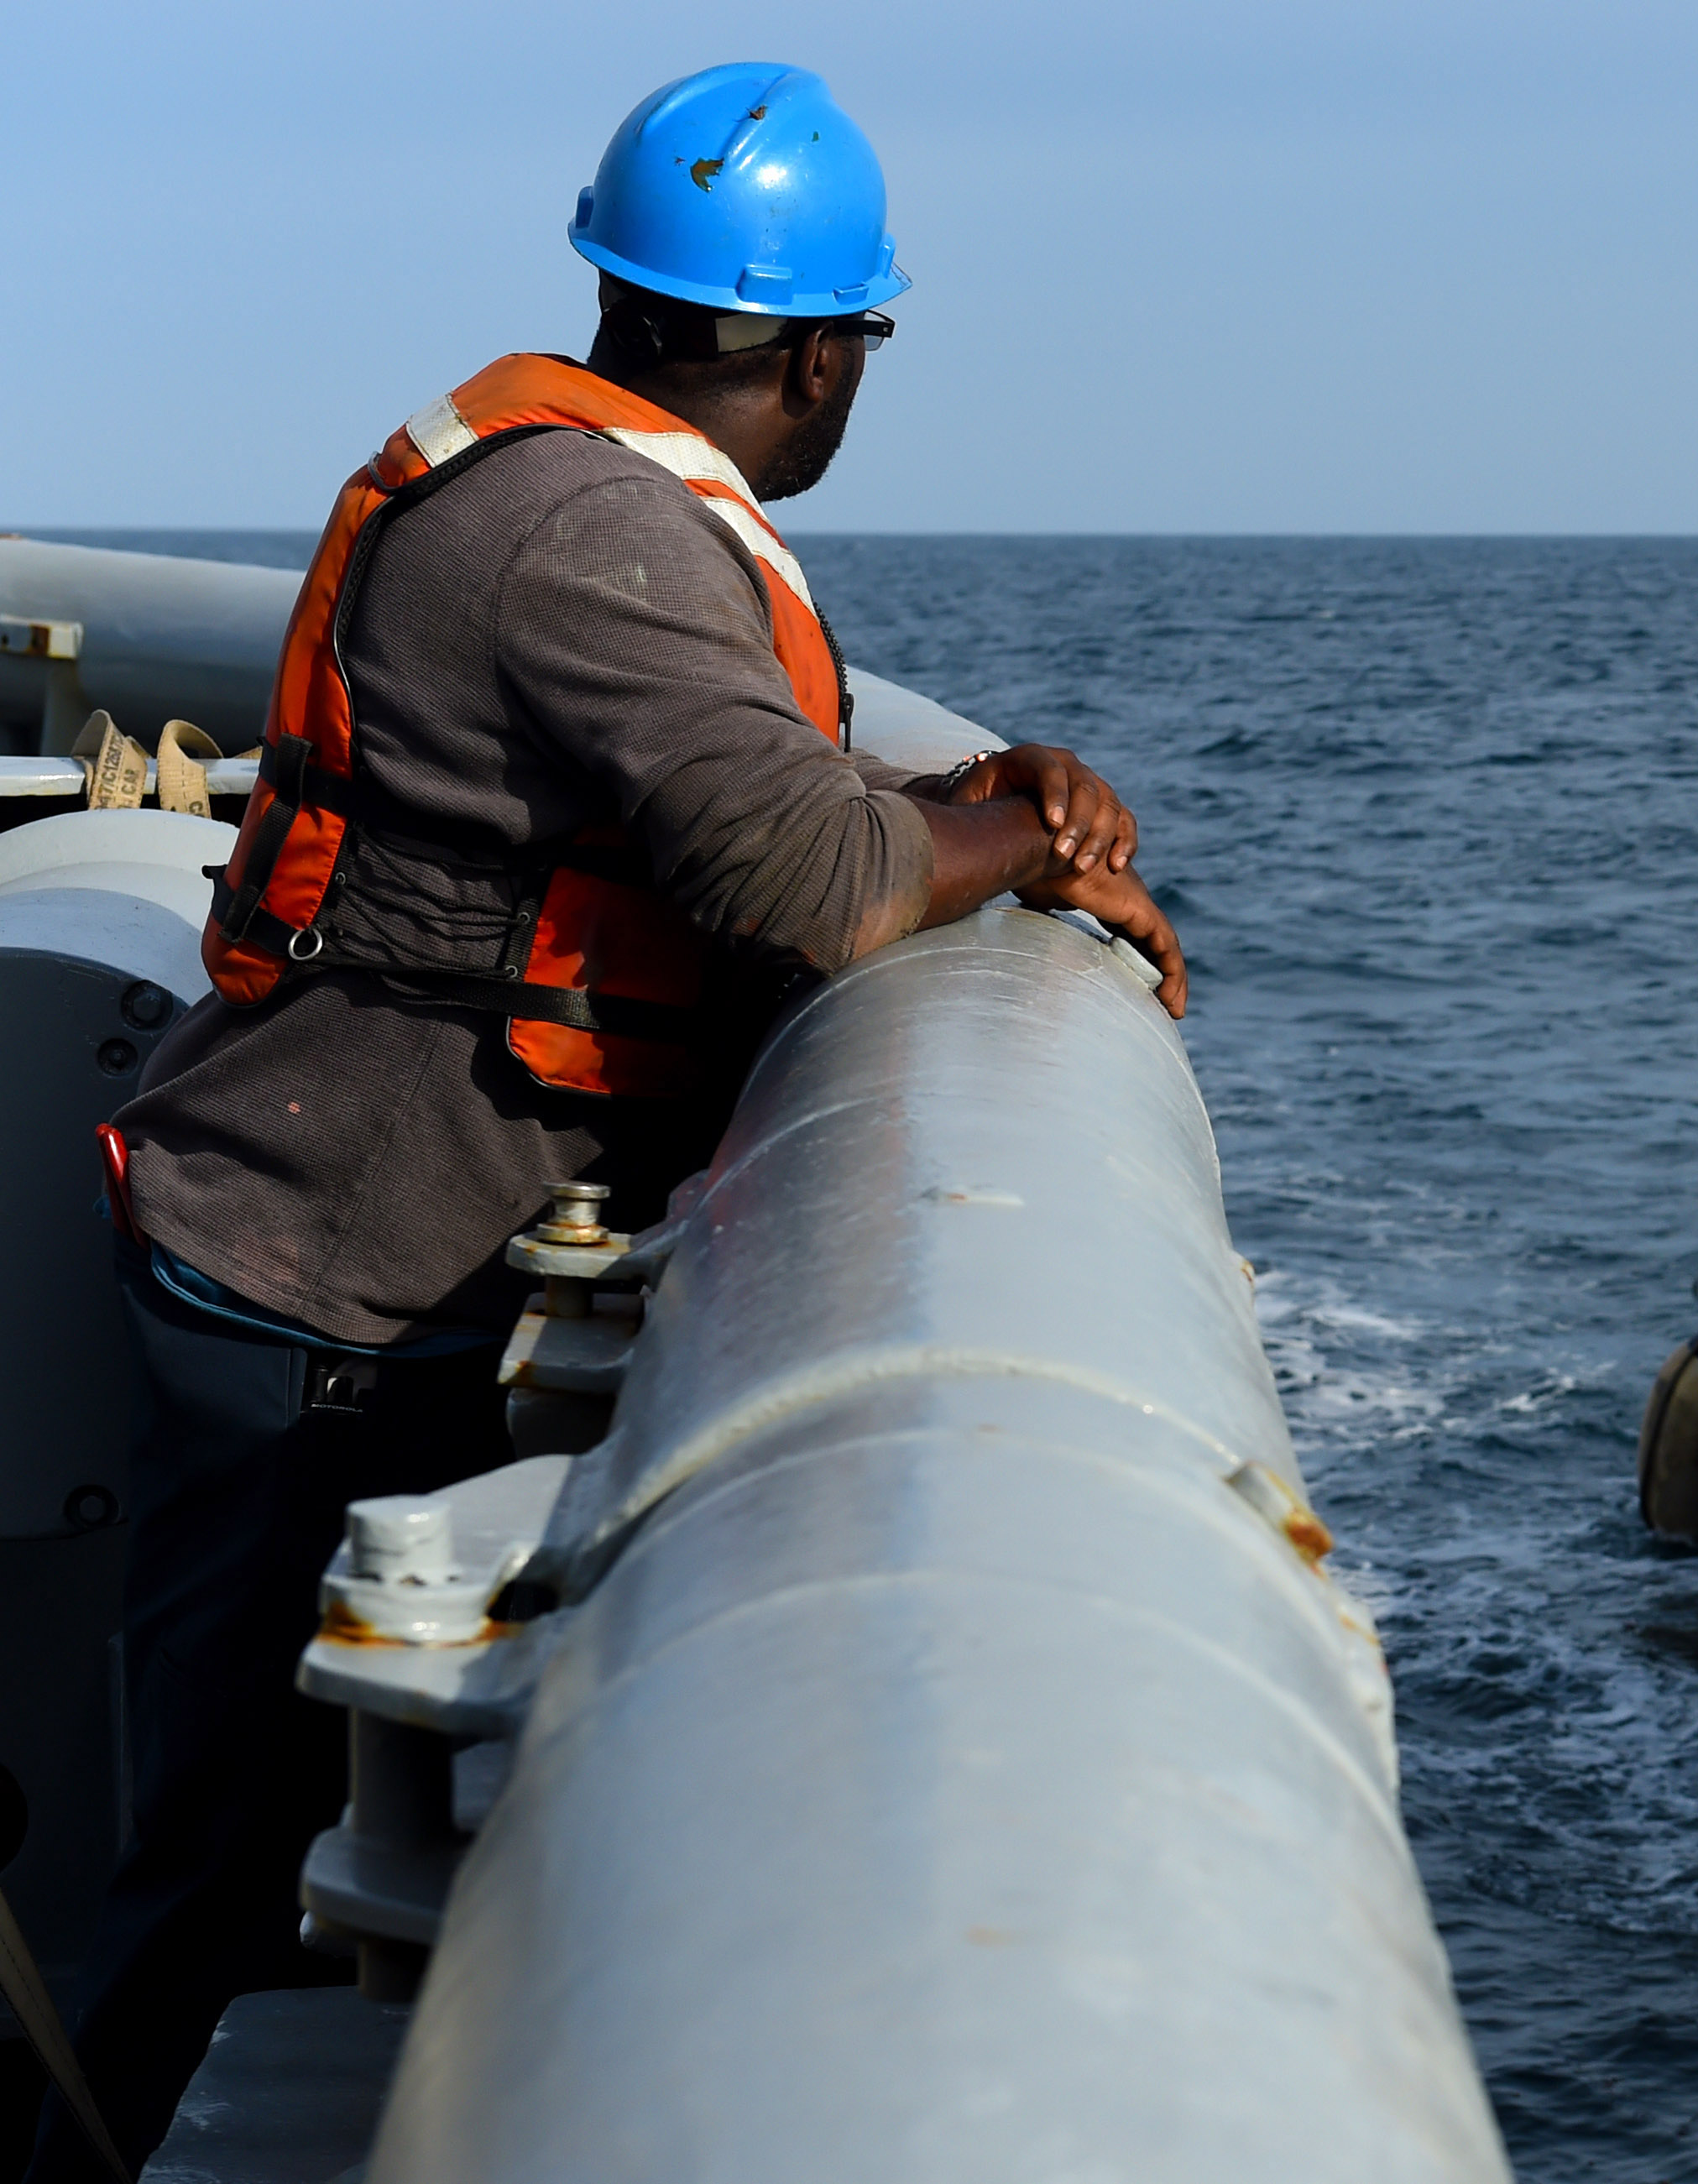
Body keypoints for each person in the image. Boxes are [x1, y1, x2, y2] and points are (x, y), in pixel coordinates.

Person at [29, 65, 1186, 2180]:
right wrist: (1015, 841)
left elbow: (771, 807)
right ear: (828, 354)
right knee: (219, 1865)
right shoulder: (592, 534)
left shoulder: (572, 497)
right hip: (332, 1281)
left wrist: (1000, 799)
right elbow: (818, 881)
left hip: (338, 1233)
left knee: (259, 1839)